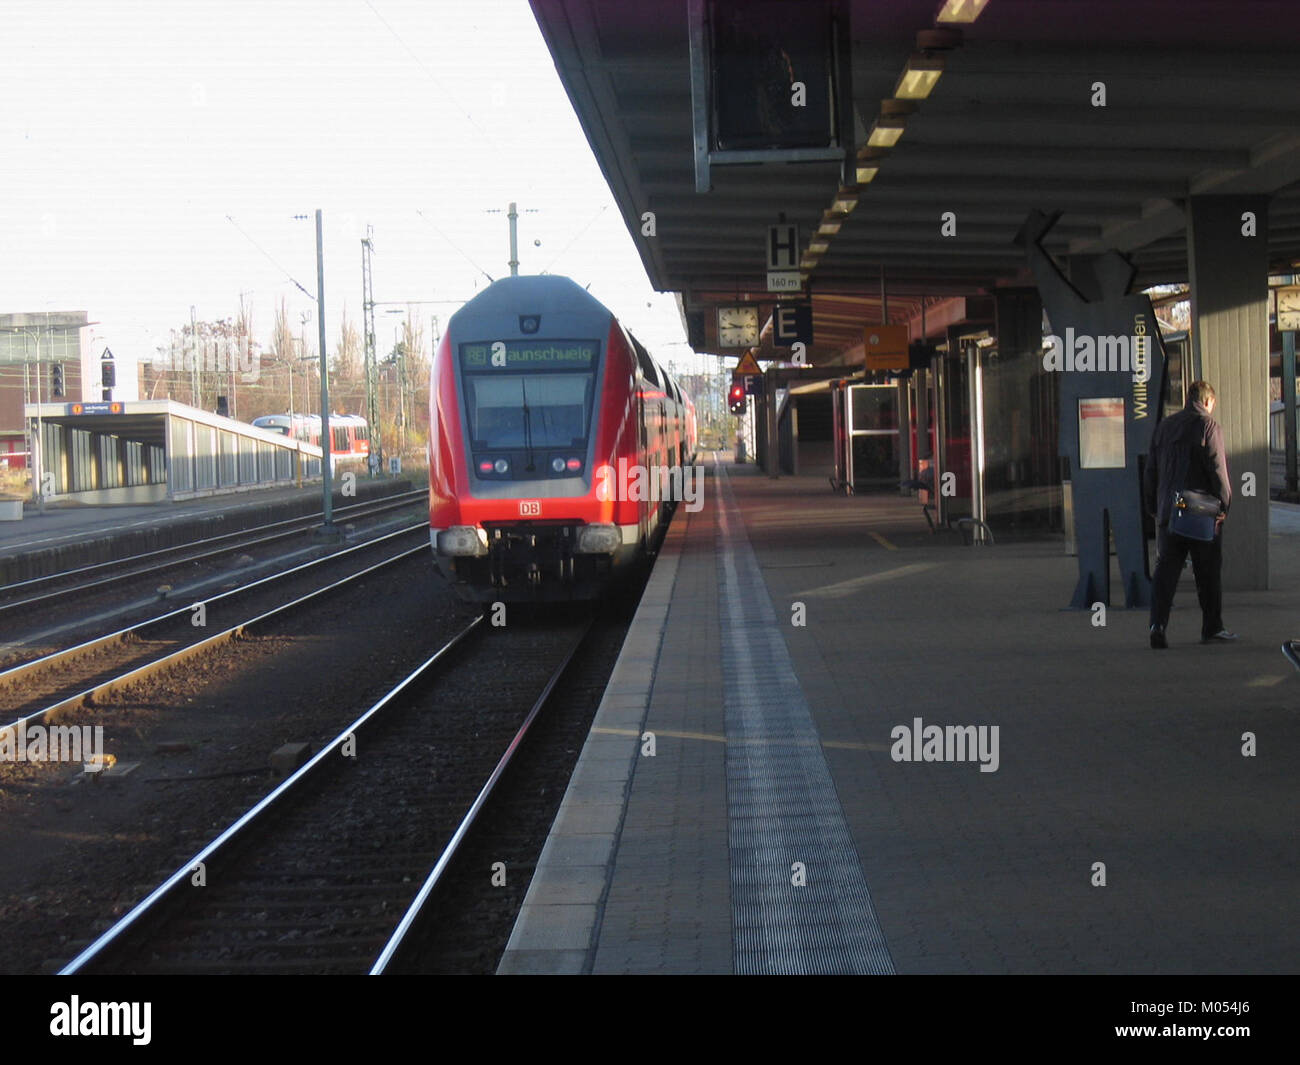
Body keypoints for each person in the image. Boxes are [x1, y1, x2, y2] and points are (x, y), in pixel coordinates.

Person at [1143, 380, 1236, 648]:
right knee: (1207, 572)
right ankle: (1212, 628)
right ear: (1207, 401)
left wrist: (1154, 507)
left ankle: (1157, 625)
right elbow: (1218, 470)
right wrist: (1224, 506)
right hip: (1200, 510)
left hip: (1168, 512)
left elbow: (1150, 472)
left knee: (1166, 572)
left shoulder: (1164, 427)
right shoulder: (1208, 426)